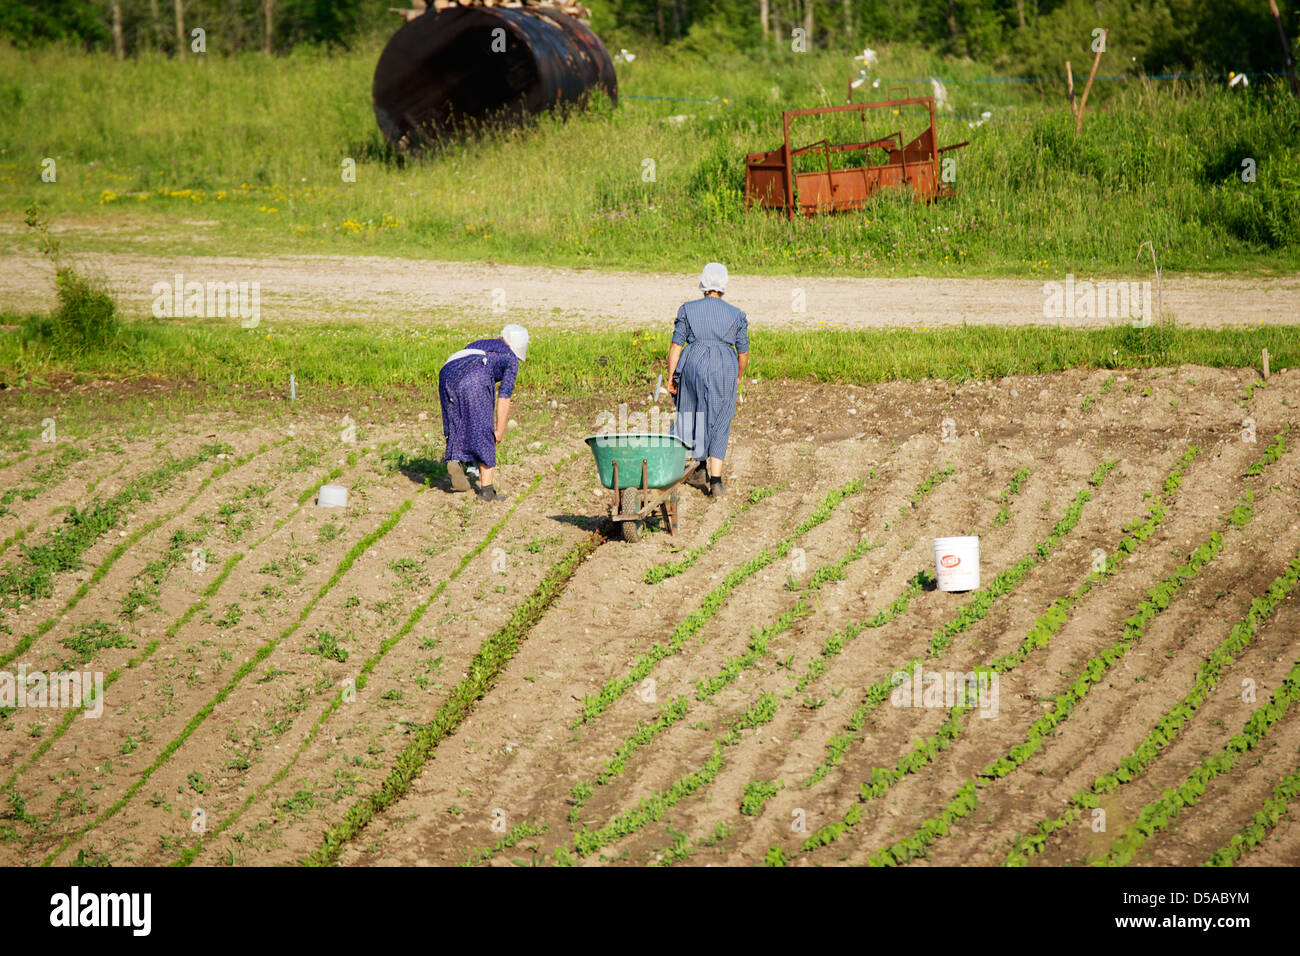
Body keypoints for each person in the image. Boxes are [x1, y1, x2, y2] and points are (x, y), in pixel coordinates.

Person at [666, 263, 749, 498]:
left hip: (693, 363)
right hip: (724, 365)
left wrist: (671, 375)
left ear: (703, 283)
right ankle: (716, 481)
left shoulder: (687, 309)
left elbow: (676, 345)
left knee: (693, 411)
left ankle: (699, 466)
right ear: (723, 285)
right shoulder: (736, 314)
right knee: (721, 416)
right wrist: (738, 375)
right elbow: (743, 352)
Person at [438, 324, 528, 501]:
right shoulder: (511, 358)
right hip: (476, 375)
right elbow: (504, 396)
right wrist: (499, 430)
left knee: (457, 419)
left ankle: (455, 459)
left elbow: (463, 366)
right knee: (482, 427)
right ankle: (487, 491)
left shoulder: (482, 343)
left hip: (447, 371)